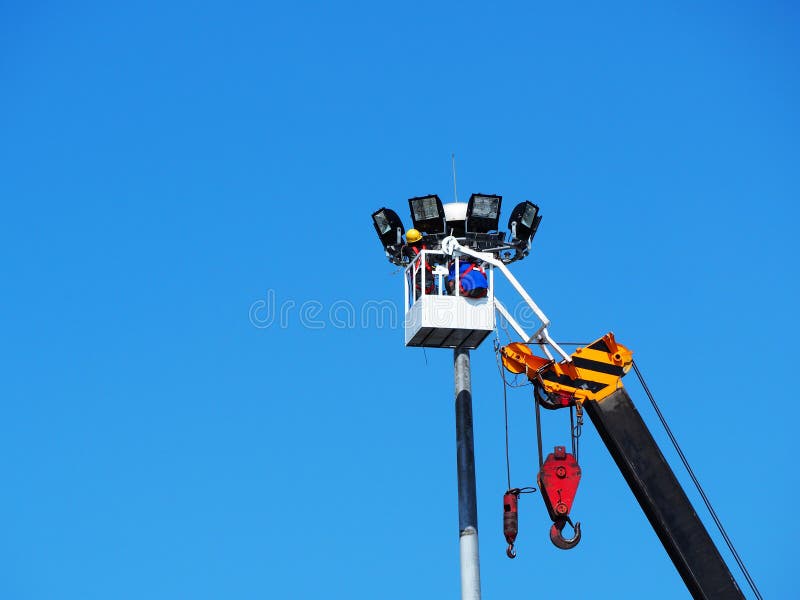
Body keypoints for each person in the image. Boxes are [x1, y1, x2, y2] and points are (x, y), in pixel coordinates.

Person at [403, 229, 435, 297]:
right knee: (431, 303)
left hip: (417, 281)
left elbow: (401, 251)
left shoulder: (407, 249)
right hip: (429, 279)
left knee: (420, 304)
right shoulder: (428, 247)